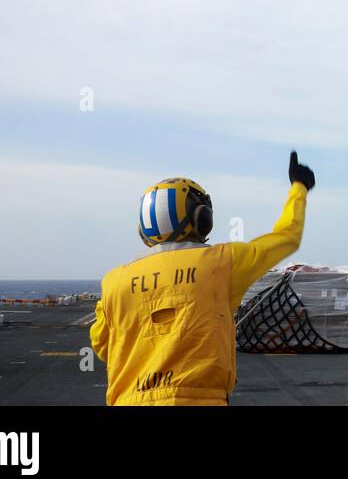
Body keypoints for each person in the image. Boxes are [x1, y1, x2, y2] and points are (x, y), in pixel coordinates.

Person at [89, 151, 315, 405]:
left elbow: (102, 346)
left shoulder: (114, 281)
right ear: (201, 218)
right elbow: (287, 237)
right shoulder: (225, 262)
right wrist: (300, 187)